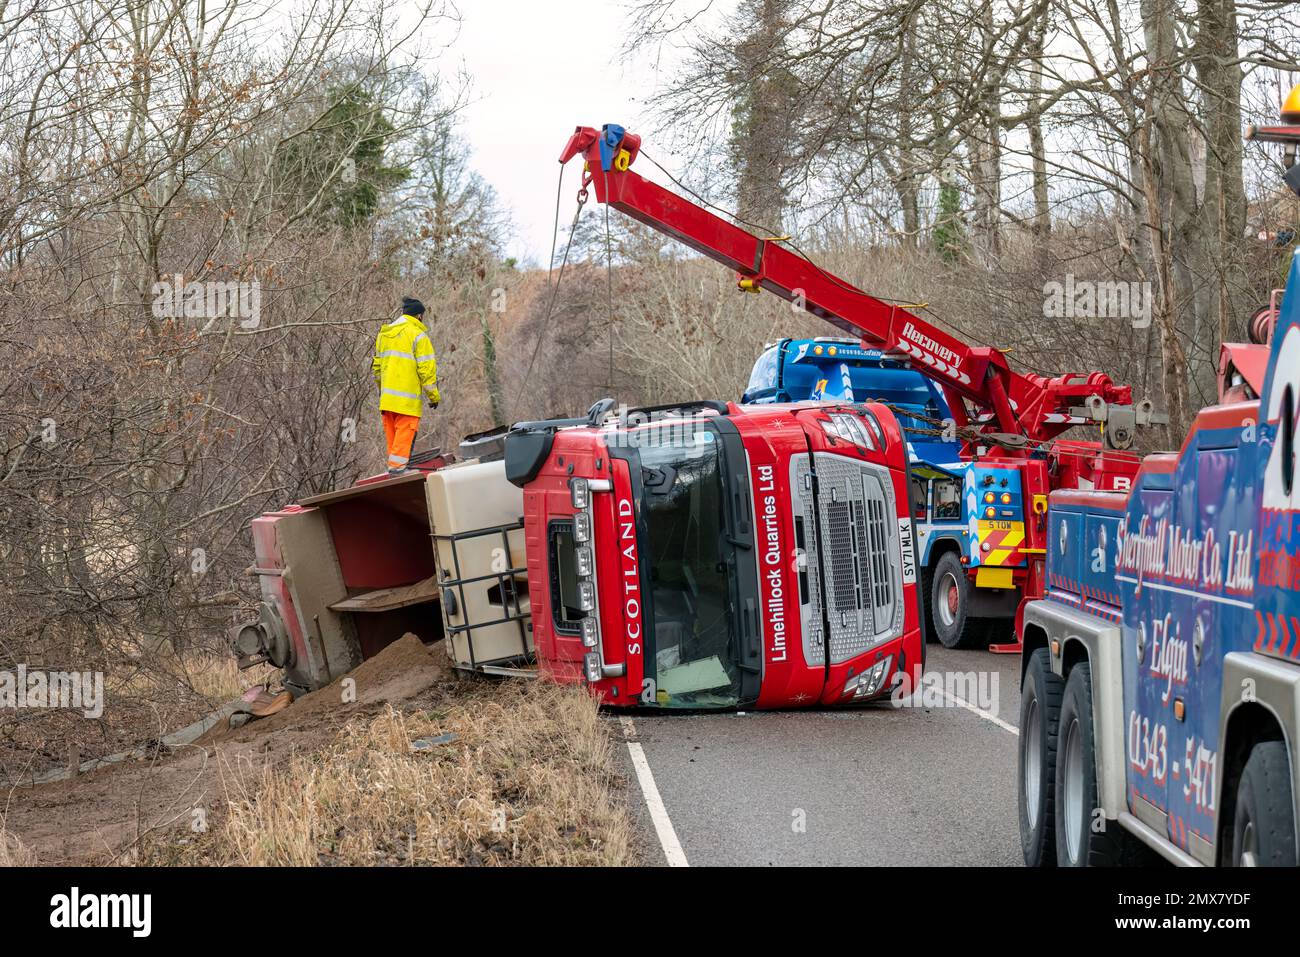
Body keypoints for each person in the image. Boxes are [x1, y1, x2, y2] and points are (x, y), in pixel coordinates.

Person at [372, 296, 439, 476]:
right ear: (418, 316)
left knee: (394, 442)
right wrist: (433, 396)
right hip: (407, 401)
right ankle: (398, 471)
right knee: (404, 435)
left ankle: (396, 467)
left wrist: (383, 392)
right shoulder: (418, 335)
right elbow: (426, 370)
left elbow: (376, 369)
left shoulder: (383, 334)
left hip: (387, 400)